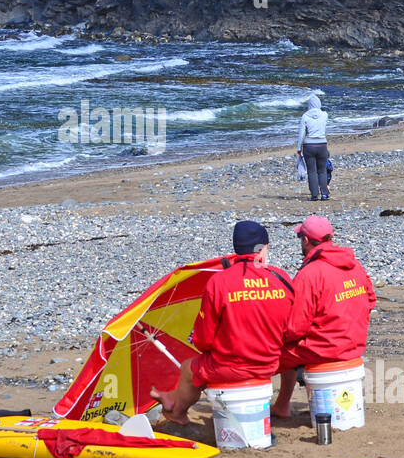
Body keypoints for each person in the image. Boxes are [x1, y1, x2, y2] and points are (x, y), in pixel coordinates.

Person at [149, 221, 293, 424]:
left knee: (189, 369)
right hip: (273, 362)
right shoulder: (281, 277)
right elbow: (294, 328)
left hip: (234, 366)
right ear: (263, 248)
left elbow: (203, 339)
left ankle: (177, 412)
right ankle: (171, 399)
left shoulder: (219, 282)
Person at [272, 215, 376, 418]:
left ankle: (248, 408)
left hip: (324, 348)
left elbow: (295, 327)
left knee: (263, 356)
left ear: (306, 240)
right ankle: (282, 404)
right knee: (292, 347)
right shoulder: (354, 265)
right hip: (353, 342)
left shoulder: (310, 273)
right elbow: (370, 300)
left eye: (300, 238)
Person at [296, 94, 330, 202]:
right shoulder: (325, 115)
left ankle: (314, 195)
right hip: (322, 145)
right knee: (322, 171)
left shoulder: (305, 116)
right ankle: (324, 194)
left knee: (311, 172)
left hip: (308, 145)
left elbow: (302, 134)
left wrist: (298, 148)